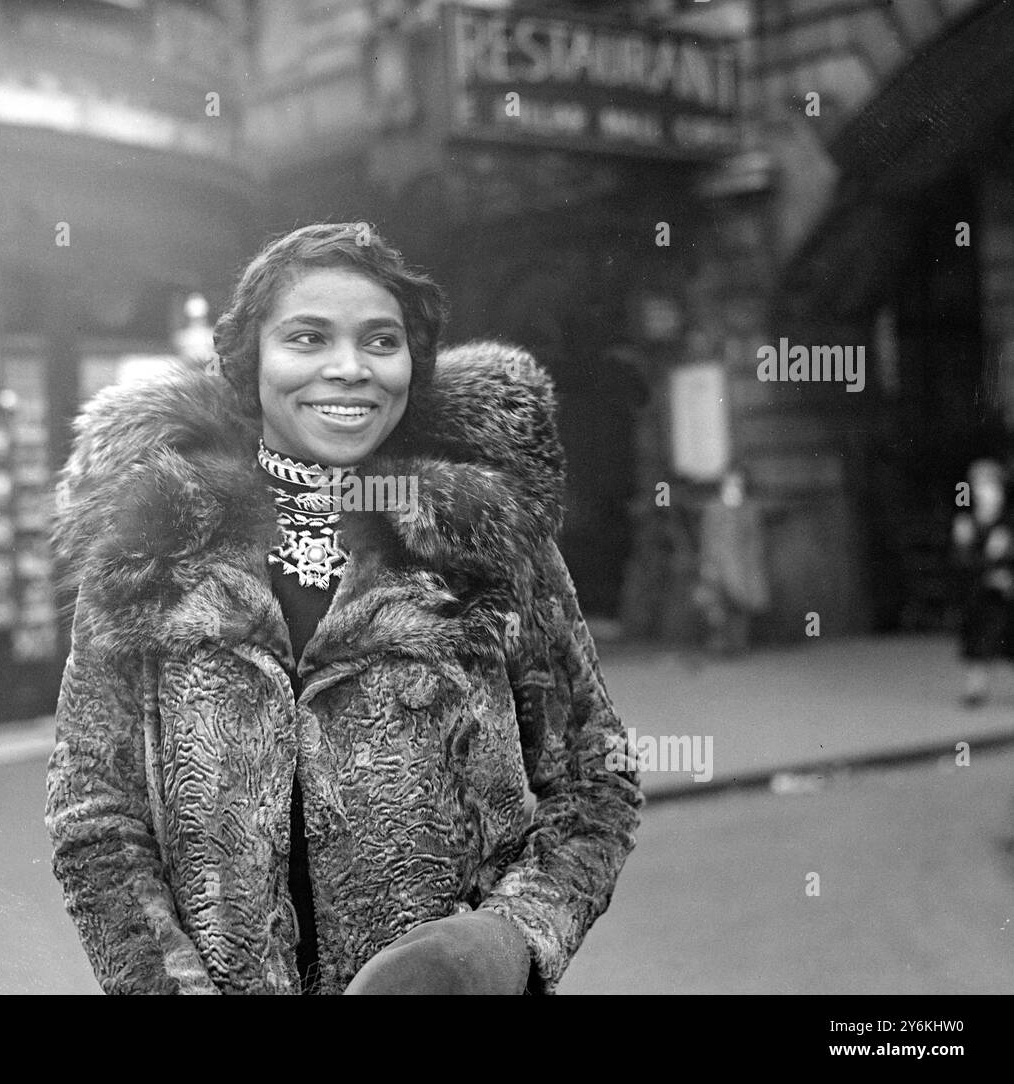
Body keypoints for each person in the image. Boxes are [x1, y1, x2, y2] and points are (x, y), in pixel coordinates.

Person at [44, 222, 643, 995]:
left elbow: (599, 776)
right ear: (248, 360)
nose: (349, 369)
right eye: (307, 337)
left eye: (381, 342)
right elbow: (93, 814)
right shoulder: (153, 548)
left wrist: (509, 939)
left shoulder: (485, 538)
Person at [952, 458, 1014, 707]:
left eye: (991, 485)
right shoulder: (966, 522)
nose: (986, 492)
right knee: (977, 629)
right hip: (978, 590)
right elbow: (962, 561)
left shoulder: (1008, 523)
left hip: (1006, 593)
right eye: (980, 485)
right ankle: (976, 687)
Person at [695, 465, 770, 655]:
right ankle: (719, 643)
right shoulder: (713, 508)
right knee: (717, 605)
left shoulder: (749, 509)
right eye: (730, 483)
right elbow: (707, 537)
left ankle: (738, 644)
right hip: (719, 563)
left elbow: (754, 538)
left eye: (738, 484)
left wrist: (753, 562)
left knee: (741, 604)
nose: (733, 488)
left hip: (742, 564)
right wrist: (707, 563)